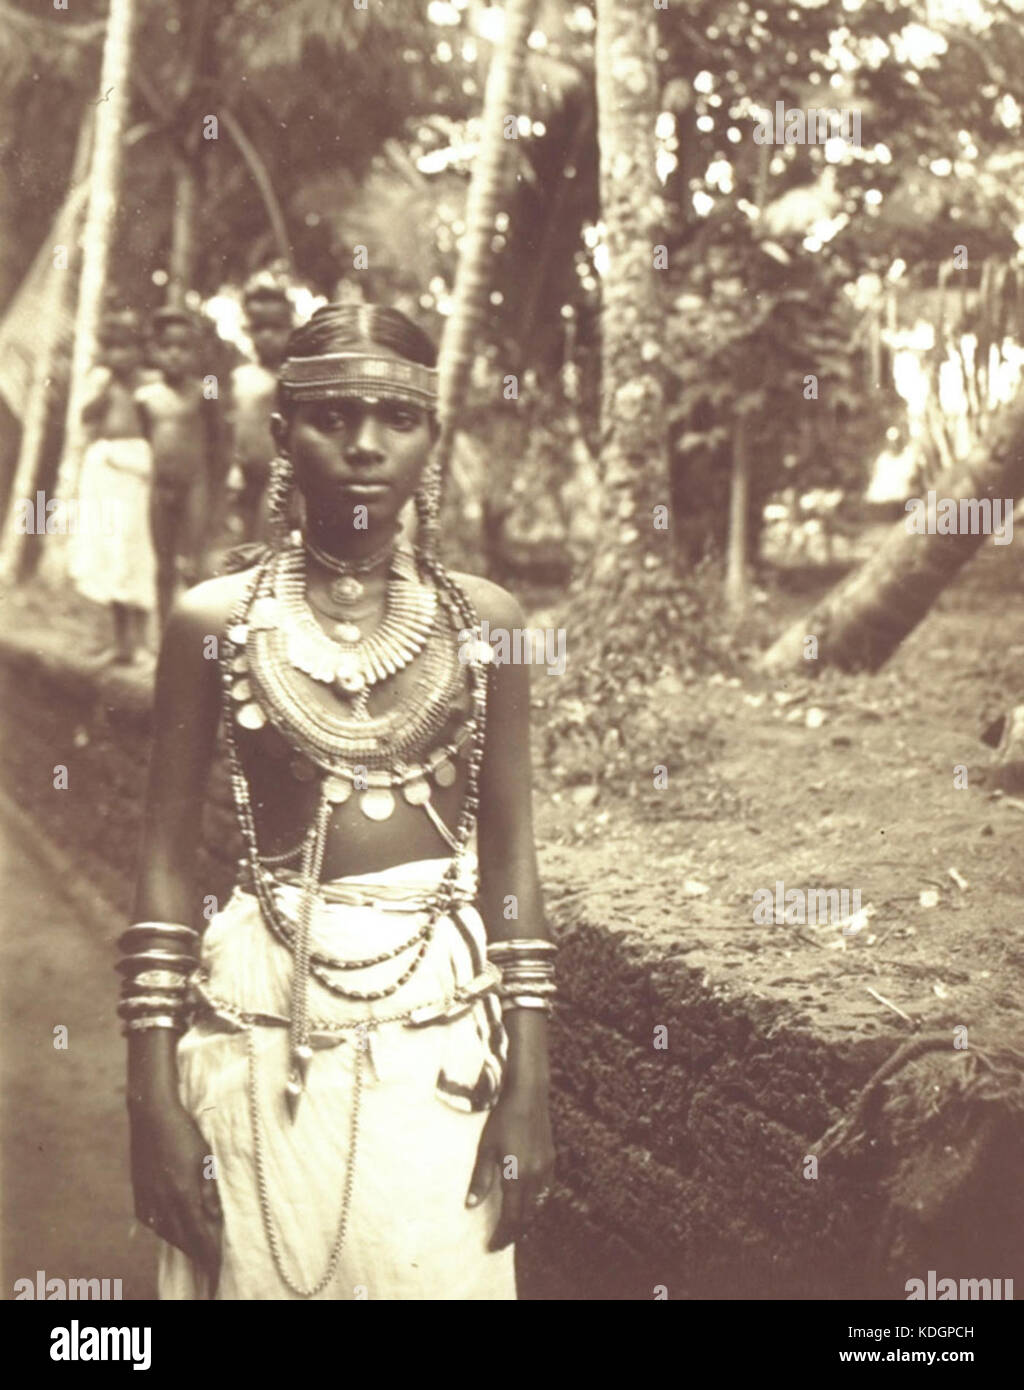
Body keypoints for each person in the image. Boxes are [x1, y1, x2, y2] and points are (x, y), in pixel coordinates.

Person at [124, 303, 555, 1300]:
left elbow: (515, 863)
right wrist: (148, 1094)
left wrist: (533, 1080)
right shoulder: (213, 621)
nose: (365, 444)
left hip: (438, 1034)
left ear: (430, 435)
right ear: (281, 435)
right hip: (260, 1022)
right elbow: (162, 865)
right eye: (334, 417)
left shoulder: (487, 624)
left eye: (395, 419)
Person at [69, 310, 156, 665]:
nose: (118, 356)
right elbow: (85, 418)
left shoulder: (150, 384)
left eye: (125, 347)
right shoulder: (104, 383)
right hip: (105, 470)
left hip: (137, 468)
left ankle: (142, 645)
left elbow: (157, 432)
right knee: (109, 552)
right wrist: (99, 390)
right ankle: (119, 644)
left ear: (139, 349)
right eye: (111, 348)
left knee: (136, 550)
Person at [135, 309, 223, 633]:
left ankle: (197, 639)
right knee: (163, 567)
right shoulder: (145, 397)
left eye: (183, 347)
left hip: (195, 486)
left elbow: (218, 442)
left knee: (193, 566)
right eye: (167, 346)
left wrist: (215, 491)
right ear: (154, 351)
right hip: (161, 487)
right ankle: (163, 639)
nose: (174, 354)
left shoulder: (204, 392)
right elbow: (149, 438)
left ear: (195, 351)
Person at [226, 281, 295, 543]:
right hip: (246, 474)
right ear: (247, 330)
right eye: (258, 328)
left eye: (276, 328)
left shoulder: (292, 377)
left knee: (269, 539)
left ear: (290, 328)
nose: (266, 336)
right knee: (245, 541)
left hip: (281, 474)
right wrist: (233, 466)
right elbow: (232, 426)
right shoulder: (240, 375)